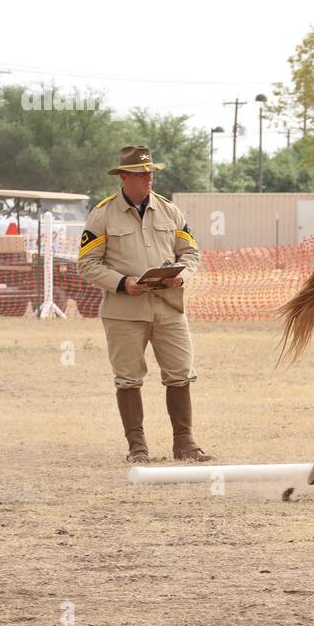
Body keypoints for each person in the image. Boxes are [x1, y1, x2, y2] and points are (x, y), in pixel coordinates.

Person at [77, 145, 213, 463]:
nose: (148, 178)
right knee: (128, 377)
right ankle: (137, 447)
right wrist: (123, 284)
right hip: (124, 311)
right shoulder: (102, 214)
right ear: (124, 176)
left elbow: (190, 252)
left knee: (180, 373)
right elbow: (86, 264)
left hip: (168, 306)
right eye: (141, 173)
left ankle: (185, 443)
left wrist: (183, 275)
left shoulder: (170, 210)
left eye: (151, 172)